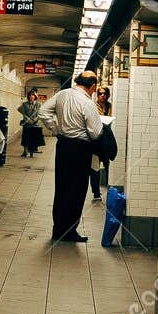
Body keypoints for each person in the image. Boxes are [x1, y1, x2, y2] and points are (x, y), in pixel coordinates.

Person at [39, 72, 103, 243]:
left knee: (62, 188)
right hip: (80, 149)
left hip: (63, 146)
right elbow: (95, 133)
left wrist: (56, 128)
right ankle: (69, 231)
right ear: (93, 86)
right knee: (77, 190)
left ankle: (58, 229)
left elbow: (43, 112)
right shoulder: (88, 103)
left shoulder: (62, 94)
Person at [89, 86, 111, 203]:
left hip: (106, 140)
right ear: (97, 95)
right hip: (95, 141)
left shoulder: (110, 106)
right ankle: (96, 193)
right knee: (95, 167)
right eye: (100, 94)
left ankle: (109, 187)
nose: (102, 96)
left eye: (105, 94)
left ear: (108, 95)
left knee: (108, 165)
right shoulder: (92, 106)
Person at [19, 89, 45, 157]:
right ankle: (25, 151)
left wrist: (35, 119)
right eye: (30, 95)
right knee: (25, 138)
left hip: (35, 123)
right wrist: (28, 120)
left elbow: (40, 114)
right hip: (27, 123)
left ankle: (31, 152)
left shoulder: (39, 104)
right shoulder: (24, 104)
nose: (31, 96)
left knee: (33, 138)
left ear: (35, 96)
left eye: (33, 95)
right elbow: (23, 114)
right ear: (28, 96)